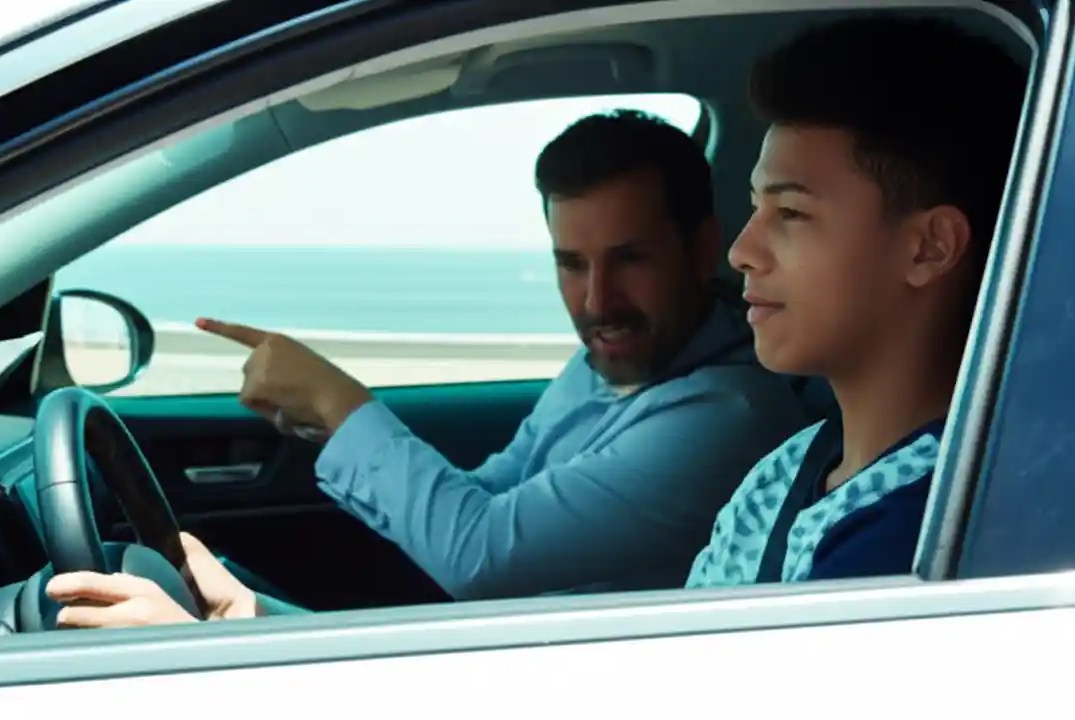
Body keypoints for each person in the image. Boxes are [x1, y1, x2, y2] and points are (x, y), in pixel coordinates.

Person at [46, 111, 811, 625]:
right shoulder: (613, 362)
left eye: (629, 259)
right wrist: (249, 616)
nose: (596, 299)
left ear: (704, 246)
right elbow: (484, 494)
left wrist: (343, 403)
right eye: (569, 264)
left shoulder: (726, 416)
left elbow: (479, 554)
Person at [686, 15, 1026, 587]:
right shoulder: (787, 472)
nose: (742, 251)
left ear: (928, 248)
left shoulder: (934, 528)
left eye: (791, 213)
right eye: (755, 208)